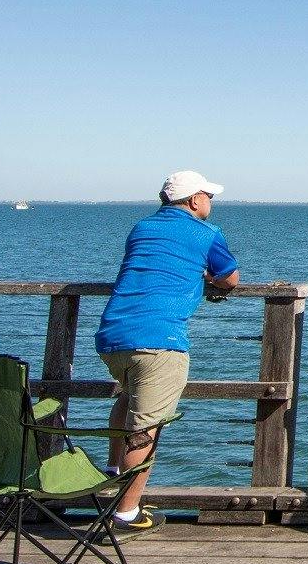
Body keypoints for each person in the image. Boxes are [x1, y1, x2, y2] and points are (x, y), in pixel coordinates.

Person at [92, 169, 240, 535]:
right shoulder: (206, 233)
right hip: (159, 340)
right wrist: (207, 279)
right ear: (193, 201)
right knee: (147, 426)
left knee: (128, 398)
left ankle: (114, 472)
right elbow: (230, 278)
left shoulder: (142, 228)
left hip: (113, 334)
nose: (212, 202)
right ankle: (126, 511)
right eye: (209, 196)